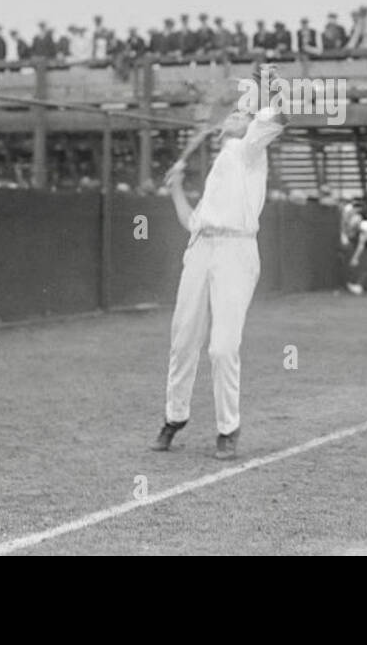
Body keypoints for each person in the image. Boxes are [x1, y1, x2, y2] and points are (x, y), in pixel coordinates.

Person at [151, 79, 285, 461]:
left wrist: (272, 87)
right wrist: (176, 188)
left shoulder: (250, 149)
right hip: (200, 248)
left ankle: (228, 429)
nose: (234, 117)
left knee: (222, 347)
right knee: (182, 340)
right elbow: (192, 221)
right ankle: (174, 419)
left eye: (242, 114)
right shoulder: (221, 164)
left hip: (236, 252)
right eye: (234, 113)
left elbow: (275, 115)